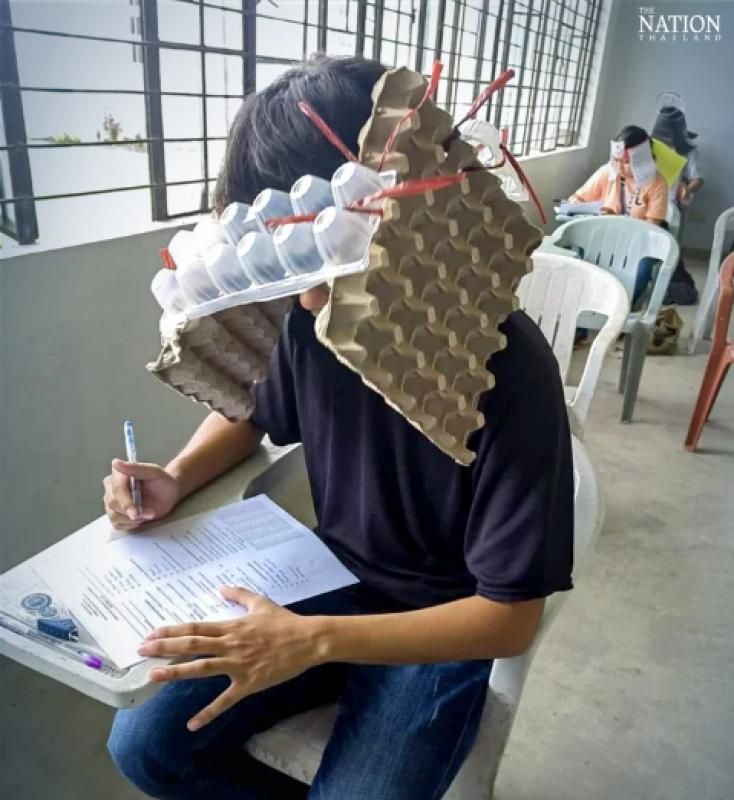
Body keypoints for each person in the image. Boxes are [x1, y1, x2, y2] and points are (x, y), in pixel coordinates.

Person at [104, 55, 574, 800]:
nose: (310, 296)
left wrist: (314, 642)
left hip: (442, 621)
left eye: (323, 261)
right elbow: (254, 418)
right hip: (331, 577)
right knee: (146, 745)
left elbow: (508, 617)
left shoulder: (505, 363)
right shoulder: (313, 321)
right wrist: (173, 476)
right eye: (295, 265)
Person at [569, 125, 668, 307]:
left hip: (639, 245)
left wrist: (620, 223)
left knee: (641, 268)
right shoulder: (607, 173)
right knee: (580, 257)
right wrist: (597, 211)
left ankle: (622, 311)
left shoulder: (657, 182)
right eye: (616, 160)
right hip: (603, 239)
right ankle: (584, 312)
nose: (620, 166)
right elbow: (576, 199)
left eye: (626, 161)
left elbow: (651, 226)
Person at [651, 104, 703, 212]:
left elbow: (697, 180)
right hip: (647, 196)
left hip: (671, 201)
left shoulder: (688, 150)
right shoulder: (649, 144)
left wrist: (685, 191)